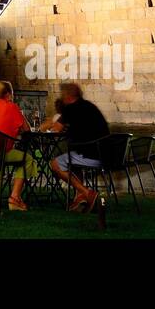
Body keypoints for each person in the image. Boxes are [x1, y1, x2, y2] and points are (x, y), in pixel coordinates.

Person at [47, 81, 110, 212]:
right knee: (72, 162)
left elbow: (56, 129)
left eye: (63, 95)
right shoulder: (90, 106)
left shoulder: (71, 108)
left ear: (68, 96)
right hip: (106, 155)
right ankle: (79, 199)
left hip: (90, 154)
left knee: (55, 164)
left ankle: (87, 193)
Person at [0, 81, 37, 211]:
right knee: (27, 159)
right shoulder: (10, 106)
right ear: (8, 94)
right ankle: (15, 198)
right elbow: (27, 129)